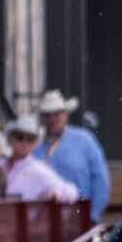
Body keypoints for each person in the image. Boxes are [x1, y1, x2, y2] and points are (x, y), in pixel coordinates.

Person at [33, 89, 108, 221]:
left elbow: (101, 180)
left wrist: (93, 216)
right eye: (47, 115)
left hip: (80, 217)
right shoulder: (33, 145)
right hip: (41, 220)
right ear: (41, 118)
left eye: (57, 114)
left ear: (66, 115)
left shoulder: (85, 140)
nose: (52, 119)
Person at [4, 117, 79, 203]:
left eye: (30, 139)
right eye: (20, 137)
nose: (24, 142)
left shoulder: (38, 169)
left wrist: (55, 194)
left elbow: (72, 192)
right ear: (10, 139)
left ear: (35, 143)